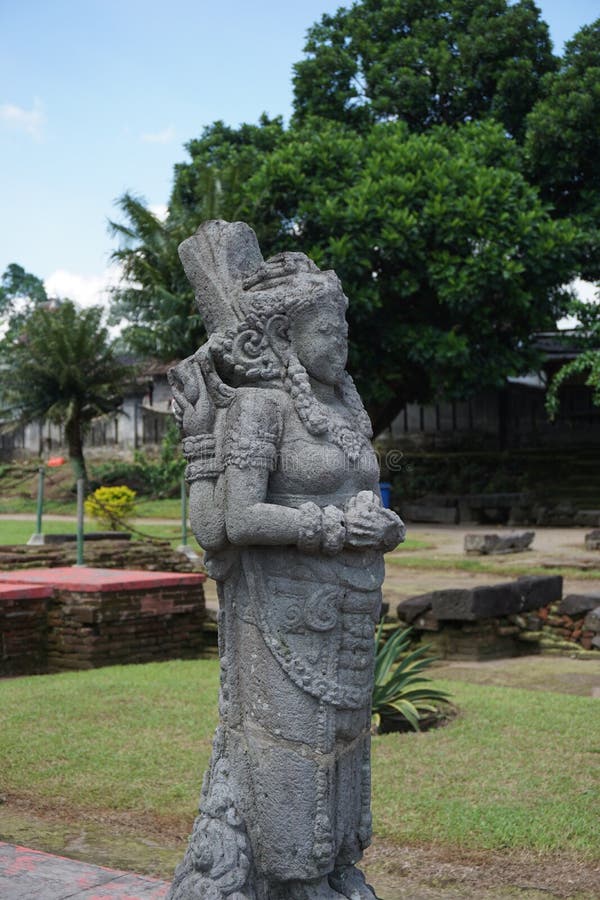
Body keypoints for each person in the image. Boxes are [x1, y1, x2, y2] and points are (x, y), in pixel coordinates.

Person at [167, 221, 405, 900]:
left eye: (343, 331)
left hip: (348, 615)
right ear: (285, 339)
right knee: (286, 754)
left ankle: (331, 869)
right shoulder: (261, 410)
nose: (341, 344)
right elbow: (237, 520)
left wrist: (382, 526)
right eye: (326, 331)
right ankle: (288, 879)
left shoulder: (345, 414)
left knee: (345, 750)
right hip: (279, 619)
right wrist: (331, 527)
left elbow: (362, 496)